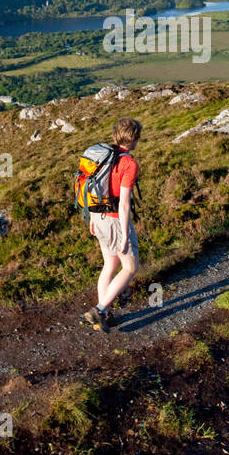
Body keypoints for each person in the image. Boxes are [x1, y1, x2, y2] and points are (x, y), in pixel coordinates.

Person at [81, 117, 142, 333]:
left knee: (110, 265)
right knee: (130, 266)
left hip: (98, 217)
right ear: (134, 139)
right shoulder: (129, 164)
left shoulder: (102, 157)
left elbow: (90, 187)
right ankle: (98, 309)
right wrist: (124, 234)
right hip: (116, 220)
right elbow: (124, 203)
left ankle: (102, 317)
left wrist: (91, 218)